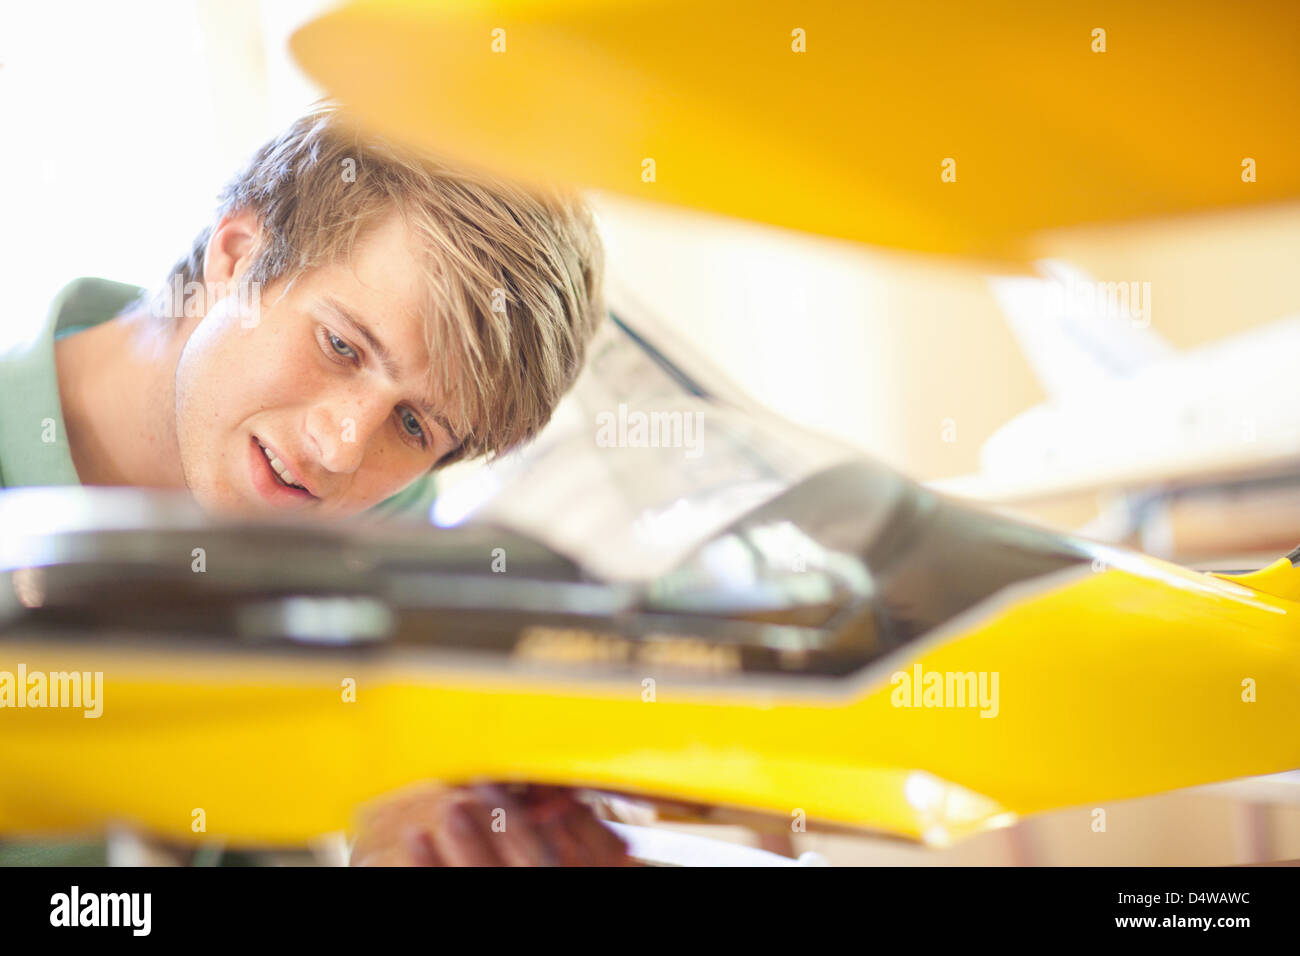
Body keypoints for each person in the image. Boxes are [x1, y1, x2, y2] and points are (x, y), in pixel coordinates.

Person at [0, 105, 628, 866]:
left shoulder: (386, 545)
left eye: (413, 427)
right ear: (236, 256)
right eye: (341, 346)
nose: (339, 448)